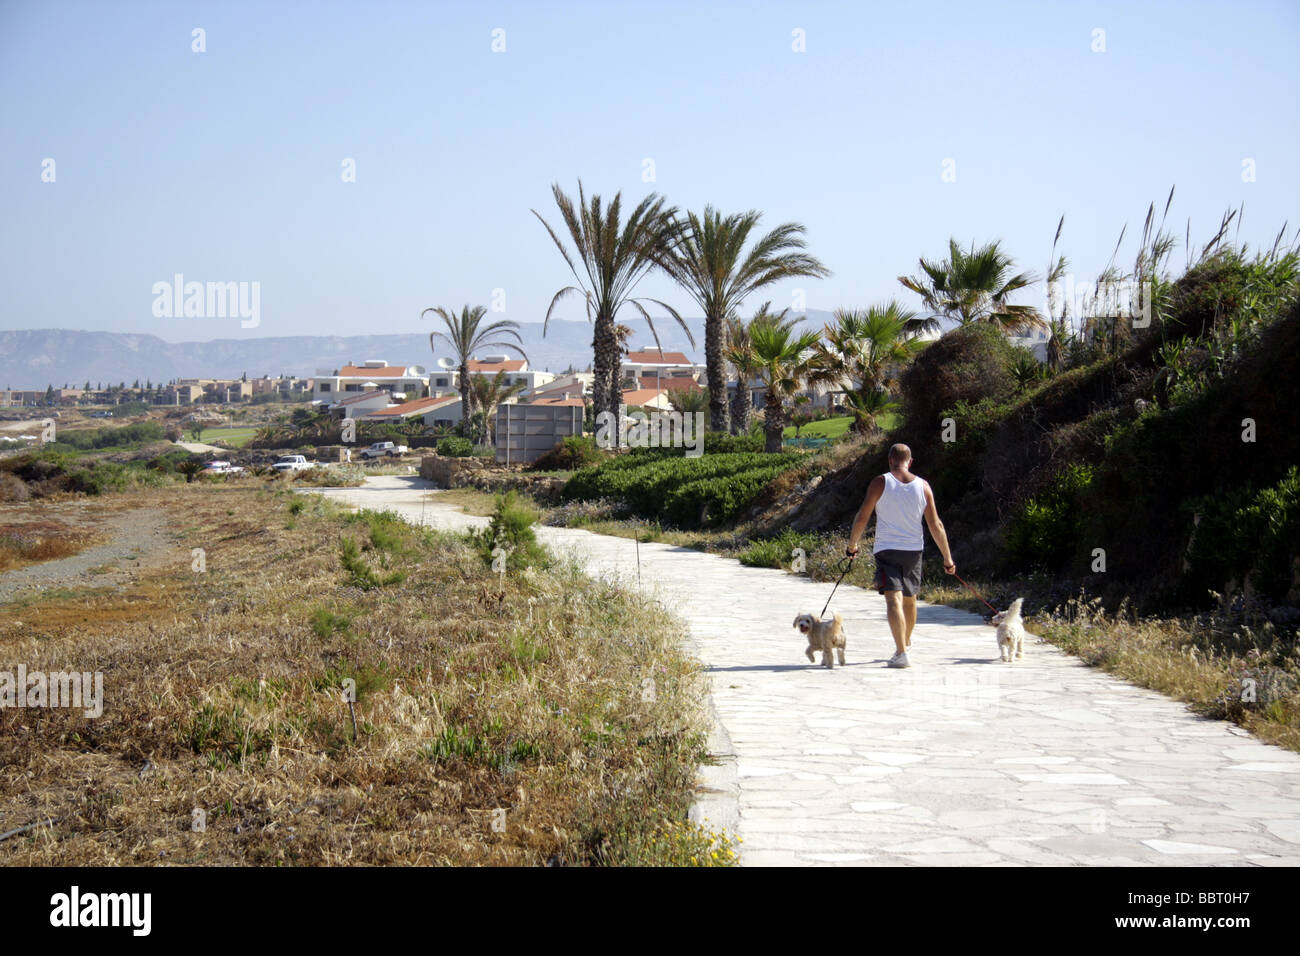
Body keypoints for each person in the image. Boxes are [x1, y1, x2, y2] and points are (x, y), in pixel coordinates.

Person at [845, 443, 955, 668]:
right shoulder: (923, 486)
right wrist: (948, 558)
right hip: (914, 550)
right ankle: (903, 645)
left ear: (889, 460)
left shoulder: (881, 482)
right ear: (910, 461)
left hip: (887, 549)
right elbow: (936, 524)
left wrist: (852, 545)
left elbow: (863, 517)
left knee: (893, 599)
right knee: (910, 598)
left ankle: (902, 651)